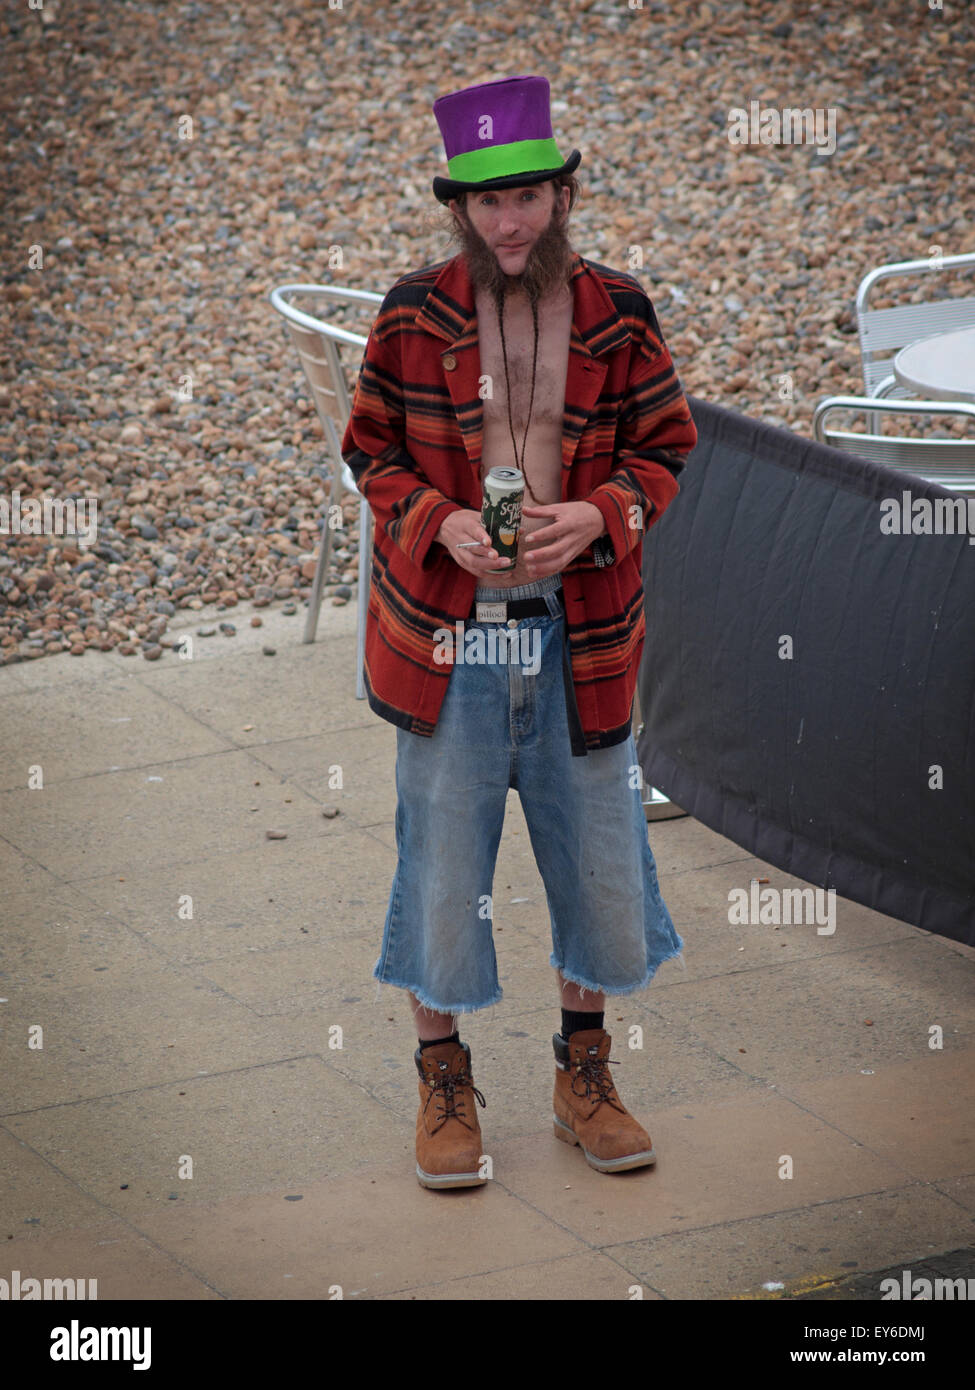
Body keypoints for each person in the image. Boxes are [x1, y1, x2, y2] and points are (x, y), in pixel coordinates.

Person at [342, 74, 697, 1190]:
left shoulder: (618, 309)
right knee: (445, 863)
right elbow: (370, 453)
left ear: (561, 193)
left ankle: (581, 1072)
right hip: (451, 634)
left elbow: (668, 446)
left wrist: (603, 511)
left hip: (580, 624)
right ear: (457, 206)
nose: (510, 222)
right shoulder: (413, 313)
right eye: (488, 203)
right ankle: (442, 1079)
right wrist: (438, 522)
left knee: (597, 857)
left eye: (530, 197)